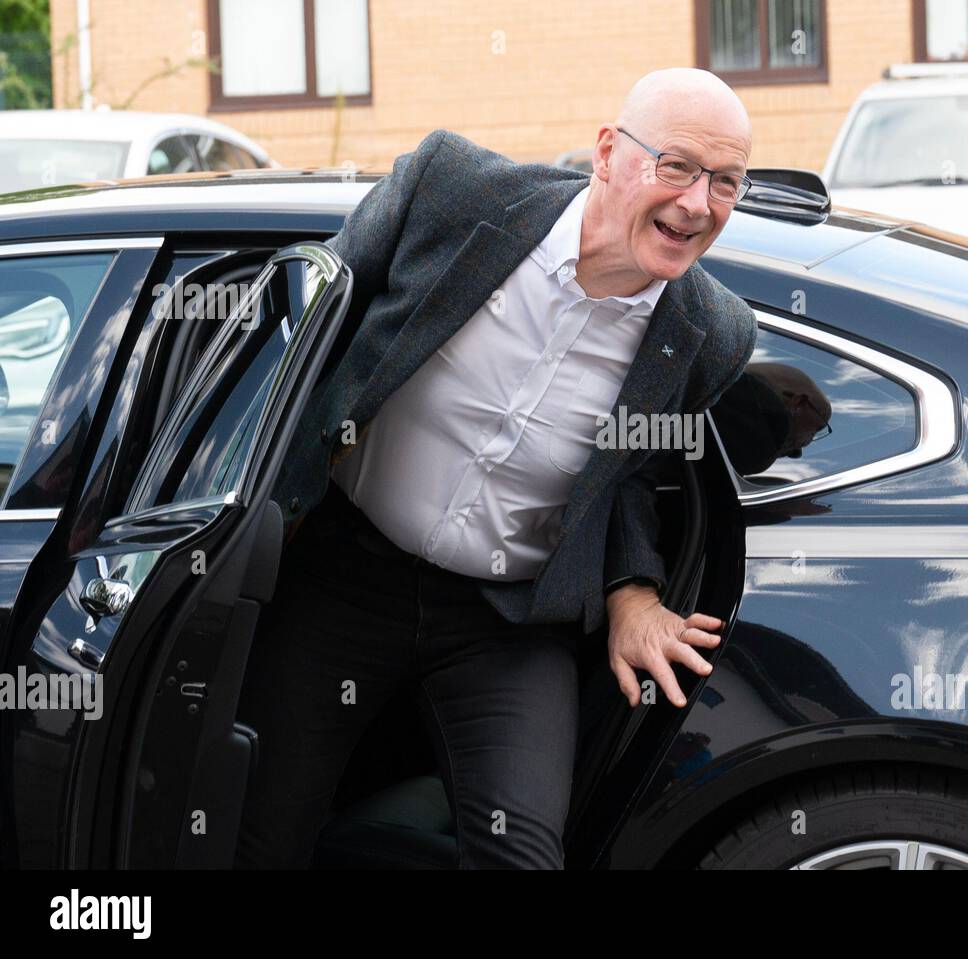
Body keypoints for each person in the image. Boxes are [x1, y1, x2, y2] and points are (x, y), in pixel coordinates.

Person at [234, 67, 757, 869]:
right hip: (342, 572)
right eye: (677, 166)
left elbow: (628, 481)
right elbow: (301, 335)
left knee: (523, 857)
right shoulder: (453, 192)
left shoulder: (710, 332)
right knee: (263, 832)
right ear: (610, 153)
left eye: (725, 182)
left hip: (505, 620)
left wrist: (632, 589)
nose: (697, 205)